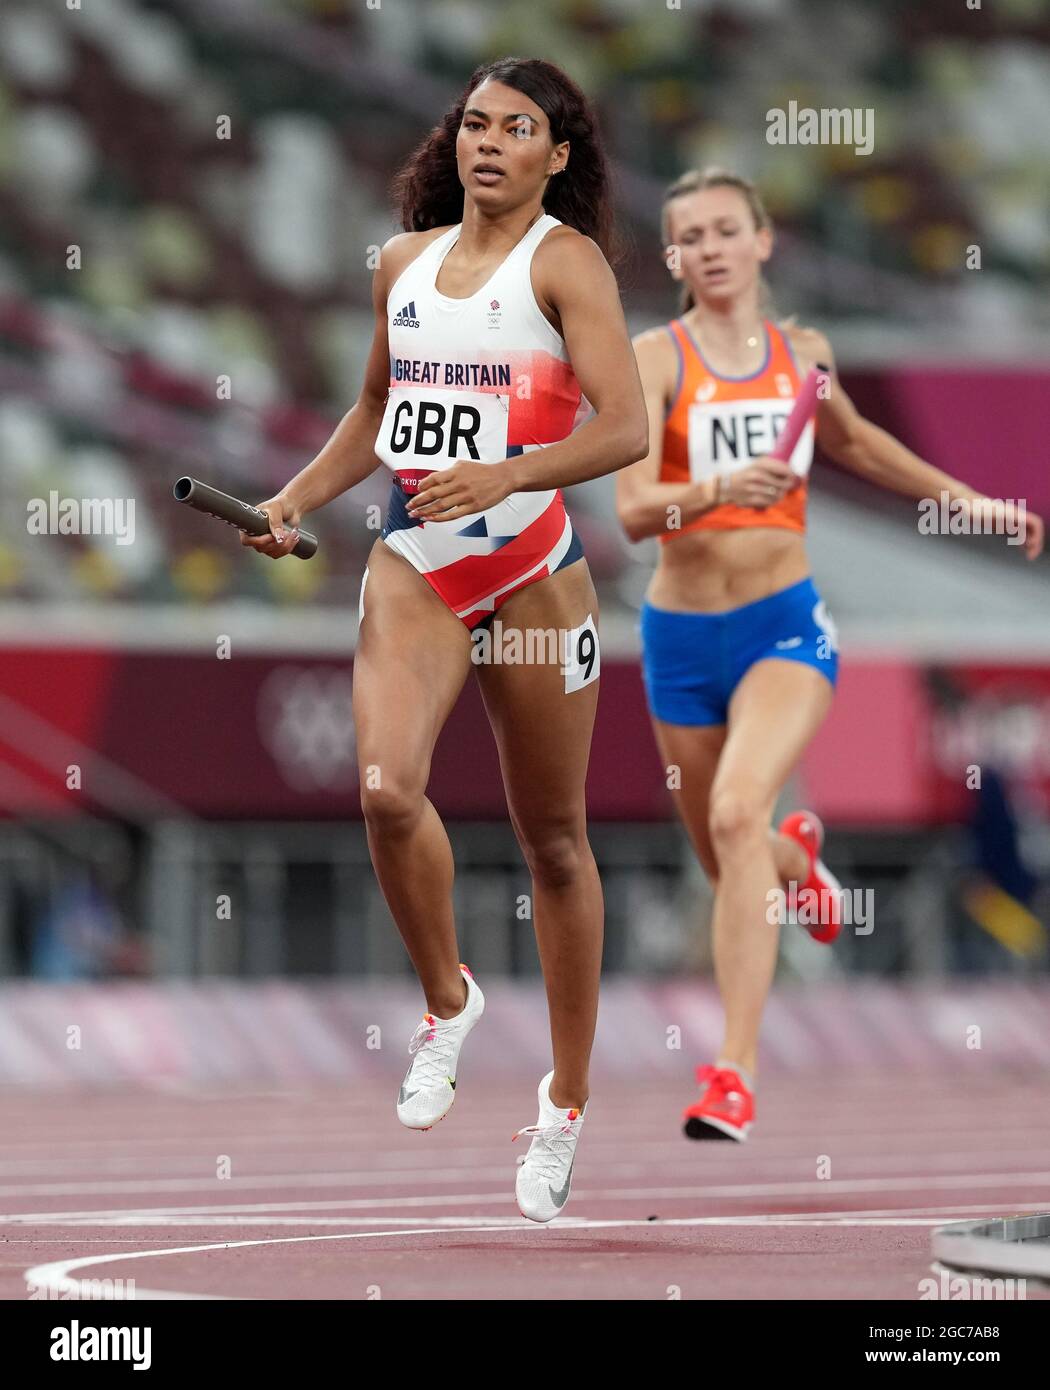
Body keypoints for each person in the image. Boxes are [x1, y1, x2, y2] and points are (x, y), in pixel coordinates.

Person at [241, 58, 647, 1220]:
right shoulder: (401, 264)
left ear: (556, 156)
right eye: (475, 123)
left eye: (517, 129)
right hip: (418, 562)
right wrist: (292, 502)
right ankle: (448, 998)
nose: (488, 143)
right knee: (383, 791)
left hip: (533, 574)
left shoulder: (564, 266)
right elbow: (376, 409)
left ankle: (563, 1103)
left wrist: (509, 472)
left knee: (555, 842)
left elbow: (626, 425)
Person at [616, 167, 1044, 1142]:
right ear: (676, 256)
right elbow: (638, 510)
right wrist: (725, 485)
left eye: (730, 228)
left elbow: (862, 445)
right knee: (729, 857)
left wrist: (970, 502)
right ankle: (795, 865)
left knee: (734, 811)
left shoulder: (802, 355)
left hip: (783, 626)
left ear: (764, 242)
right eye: (691, 235)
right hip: (679, 637)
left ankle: (732, 1073)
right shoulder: (657, 360)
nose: (712, 247)